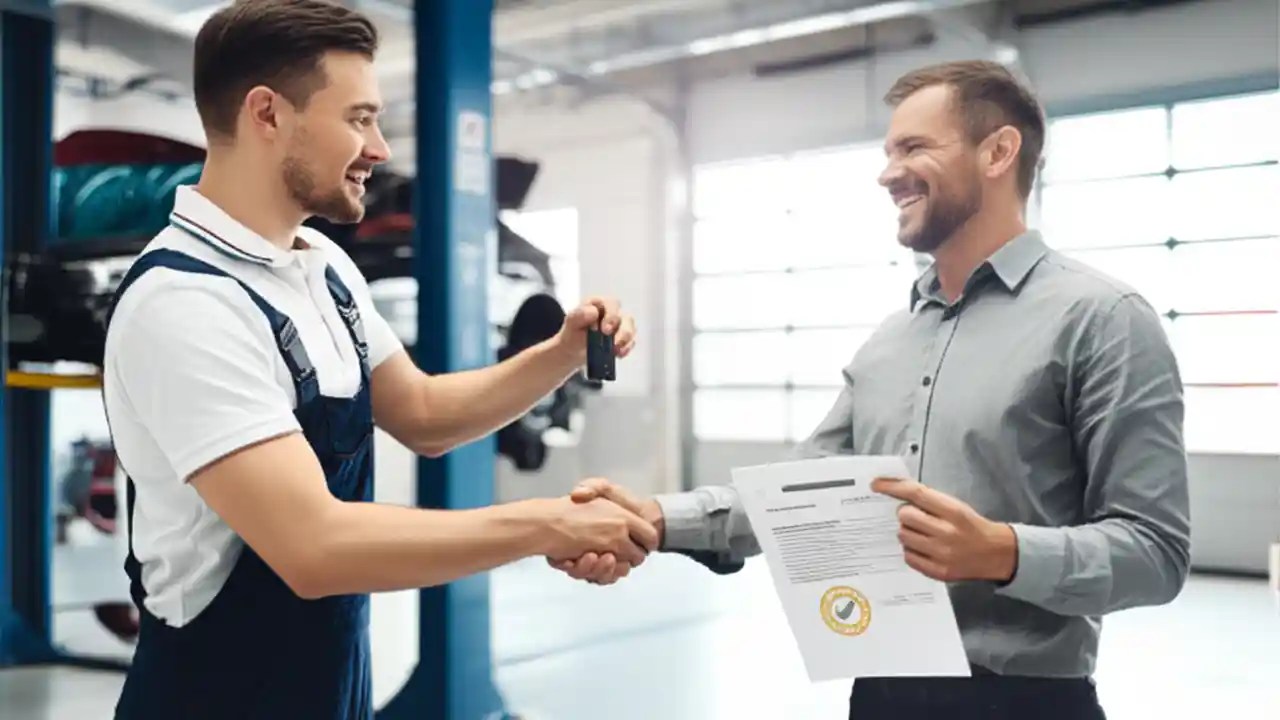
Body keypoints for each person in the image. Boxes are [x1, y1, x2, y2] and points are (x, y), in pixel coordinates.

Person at [554, 60, 1191, 719]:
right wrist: (653, 518)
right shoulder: (891, 341)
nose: (889, 174)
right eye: (888, 152)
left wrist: (1002, 552)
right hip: (880, 695)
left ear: (999, 151)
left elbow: (1156, 551)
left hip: (1024, 702)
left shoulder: (1103, 320)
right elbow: (792, 496)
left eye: (913, 148)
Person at [100, 2, 658, 718]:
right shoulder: (186, 302)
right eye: (359, 119)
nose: (381, 149)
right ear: (267, 114)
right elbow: (313, 547)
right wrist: (548, 526)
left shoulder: (322, 266)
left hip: (330, 688)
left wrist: (560, 355)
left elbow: (424, 414)